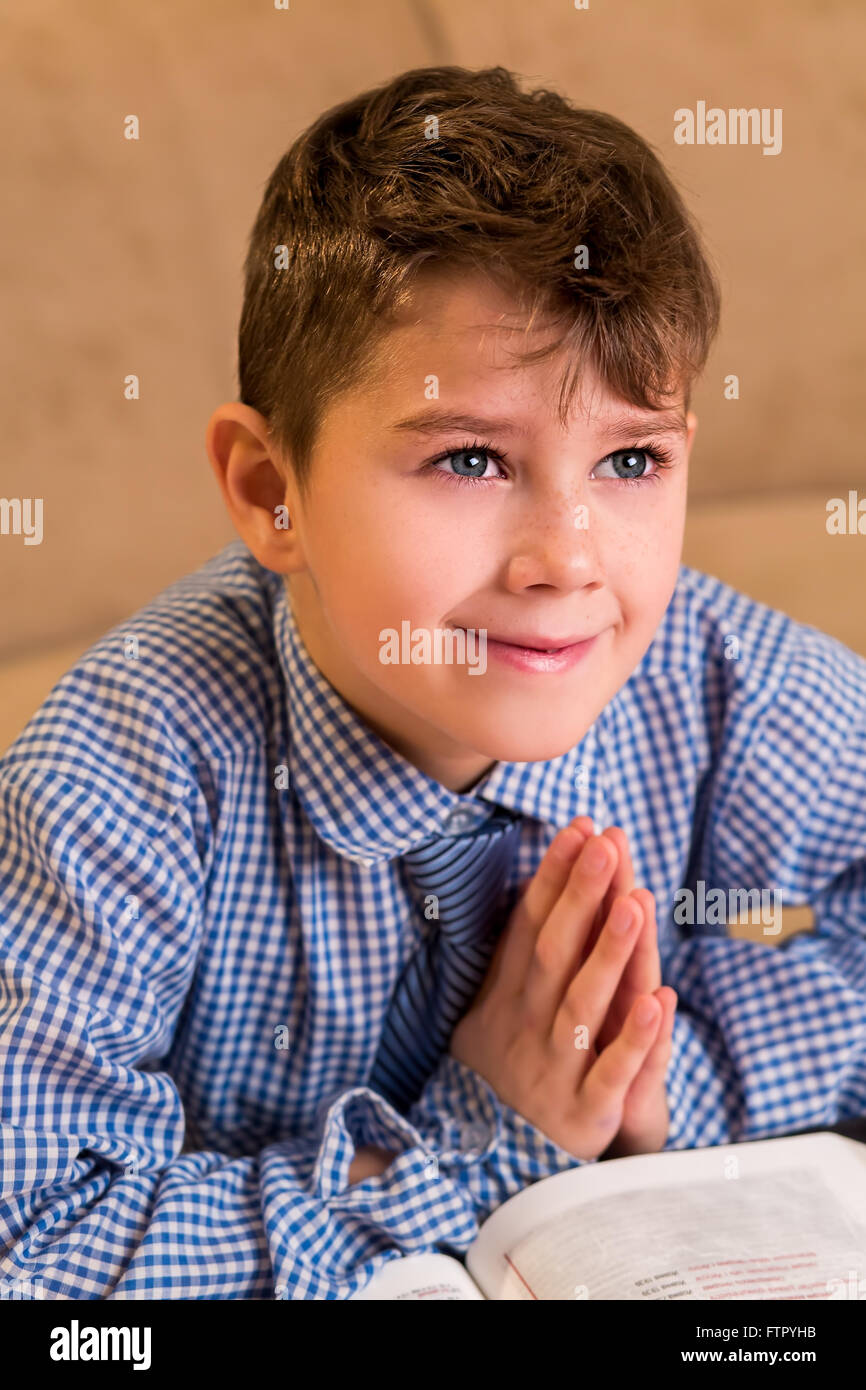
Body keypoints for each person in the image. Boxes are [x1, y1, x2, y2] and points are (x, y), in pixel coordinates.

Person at [1, 65, 864, 1302]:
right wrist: (480, 1134)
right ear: (267, 489)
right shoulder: (123, 774)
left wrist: (667, 1075)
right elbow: (31, 1245)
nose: (566, 557)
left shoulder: (716, 684)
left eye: (629, 458)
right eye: (469, 457)